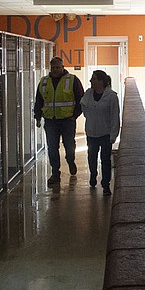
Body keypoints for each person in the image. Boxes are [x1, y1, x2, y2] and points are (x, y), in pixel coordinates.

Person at [34, 57, 85, 186]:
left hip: (67, 120)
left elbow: (81, 99)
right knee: (52, 148)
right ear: (50, 68)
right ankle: (55, 173)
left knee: (69, 145)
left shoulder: (72, 80)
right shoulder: (44, 81)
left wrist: (75, 115)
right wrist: (38, 116)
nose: (56, 70)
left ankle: (70, 160)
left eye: (58, 67)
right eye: (53, 67)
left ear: (63, 67)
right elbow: (39, 100)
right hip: (51, 120)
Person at [80, 70, 120, 195]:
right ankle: (93, 175)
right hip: (91, 133)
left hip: (106, 133)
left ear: (101, 81)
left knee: (105, 159)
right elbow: (84, 107)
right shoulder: (88, 93)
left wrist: (114, 135)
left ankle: (106, 184)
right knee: (92, 157)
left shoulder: (111, 96)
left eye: (94, 79)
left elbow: (115, 116)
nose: (91, 81)